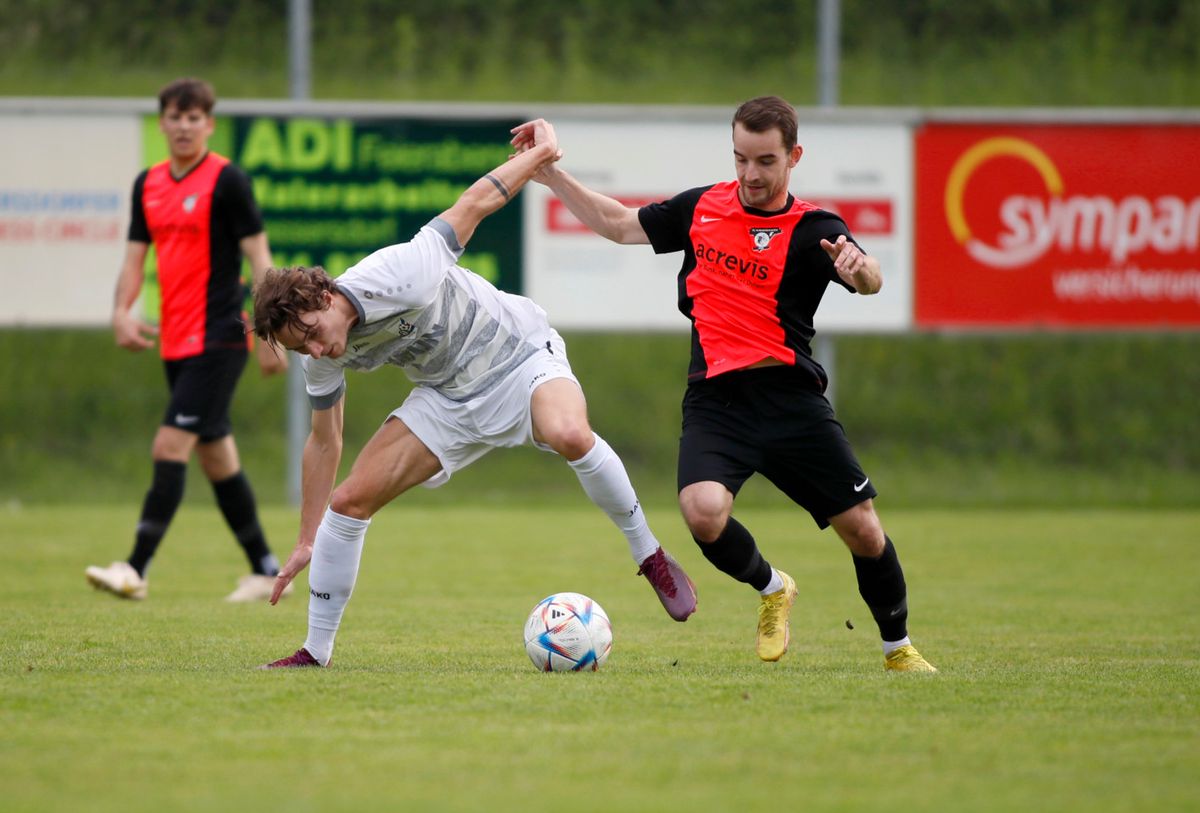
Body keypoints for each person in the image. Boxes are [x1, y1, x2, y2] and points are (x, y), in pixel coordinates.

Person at [253, 118, 696, 669]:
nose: (317, 352)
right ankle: (314, 654)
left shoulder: (399, 273)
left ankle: (649, 554)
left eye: (313, 334)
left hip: (519, 357)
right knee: (347, 505)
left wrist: (542, 157)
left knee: (568, 433)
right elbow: (324, 442)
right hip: (448, 399)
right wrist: (306, 535)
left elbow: (475, 202)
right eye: (302, 349)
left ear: (324, 294)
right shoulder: (321, 357)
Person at [515, 96, 936, 672]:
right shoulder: (703, 208)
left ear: (794, 156)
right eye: (741, 158)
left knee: (862, 529)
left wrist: (862, 273)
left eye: (765, 161)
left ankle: (899, 649)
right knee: (702, 512)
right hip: (718, 401)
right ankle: (772, 589)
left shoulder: (817, 229)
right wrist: (548, 173)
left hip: (791, 401)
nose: (750, 174)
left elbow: (871, 277)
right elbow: (618, 225)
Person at [85, 77, 291, 604]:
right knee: (216, 457)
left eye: (193, 117)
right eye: (174, 117)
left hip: (220, 337)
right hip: (174, 340)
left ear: (209, 124)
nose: (183, 126)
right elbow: (134, 258)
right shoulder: (148, 184)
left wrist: (270, 334)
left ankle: (135, 568)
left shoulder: (228, 181)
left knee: (169, 444)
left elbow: (260, 258)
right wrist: (120, 312)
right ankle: (267, 569)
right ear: (162, 122)